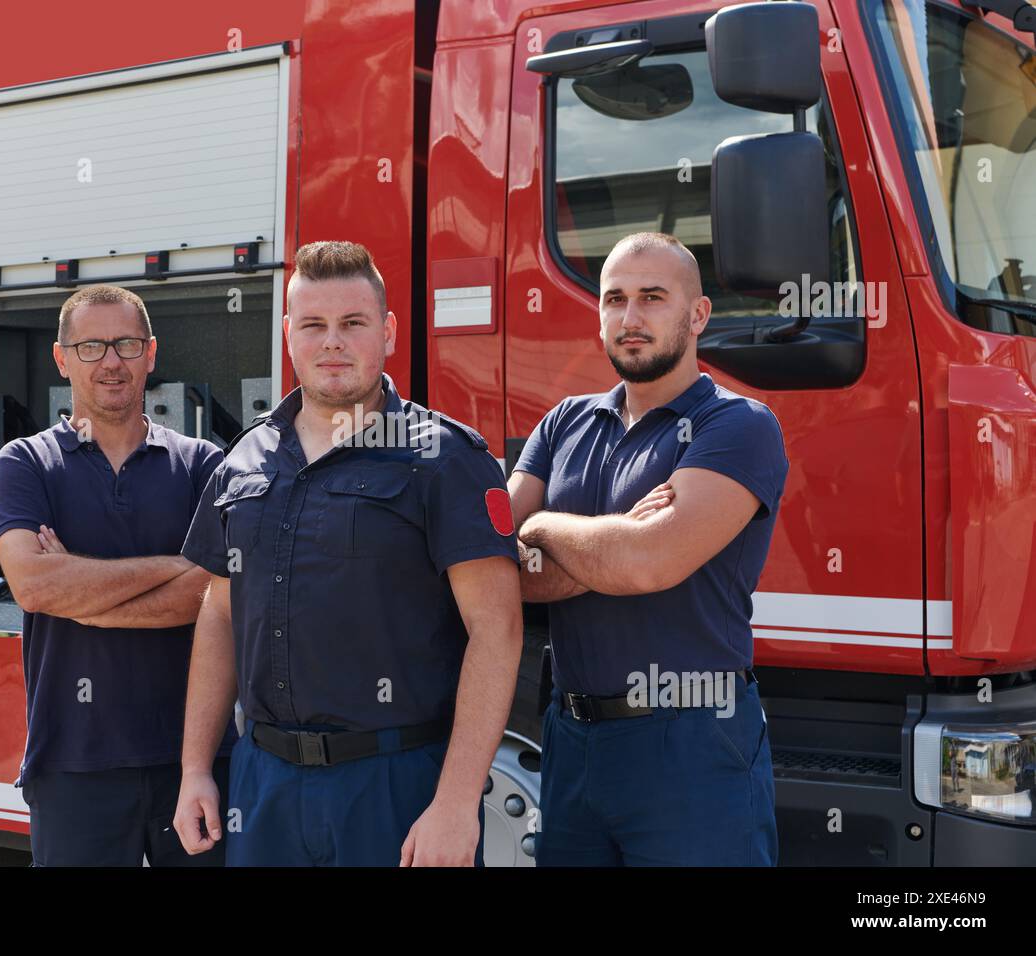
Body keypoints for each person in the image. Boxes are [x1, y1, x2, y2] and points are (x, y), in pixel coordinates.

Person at [172, 240, 522, 866]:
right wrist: (196, 767)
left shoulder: (445, 460)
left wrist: (456, 802)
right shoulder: (245, 459)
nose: (332, 341)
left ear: (387, 331)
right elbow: (221, 613)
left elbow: (496, 629)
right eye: (313, 324)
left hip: (395, 783)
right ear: (288, 335)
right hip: (264, 781)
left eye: (352, 323)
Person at [510, 232, 788, 866]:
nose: (629, 319)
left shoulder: (739, 425)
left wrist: (546, 530)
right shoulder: (562, 423)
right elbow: (495, 562)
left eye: (652, 298)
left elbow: (648, 563)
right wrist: (610, 544)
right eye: (614, 300)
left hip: (690, 742)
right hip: (571, 739)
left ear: (697, 315)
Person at [0, 284, 234, 866]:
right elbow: (34, 587)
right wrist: (178, 567)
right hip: (73, 763)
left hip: (197, 759)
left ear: (151, 353)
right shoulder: (25, 464)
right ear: (62, 359)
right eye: (92, 346)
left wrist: (76, 585)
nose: (112, 362)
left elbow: (216, 594)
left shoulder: (204, 465)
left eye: (125, 344)